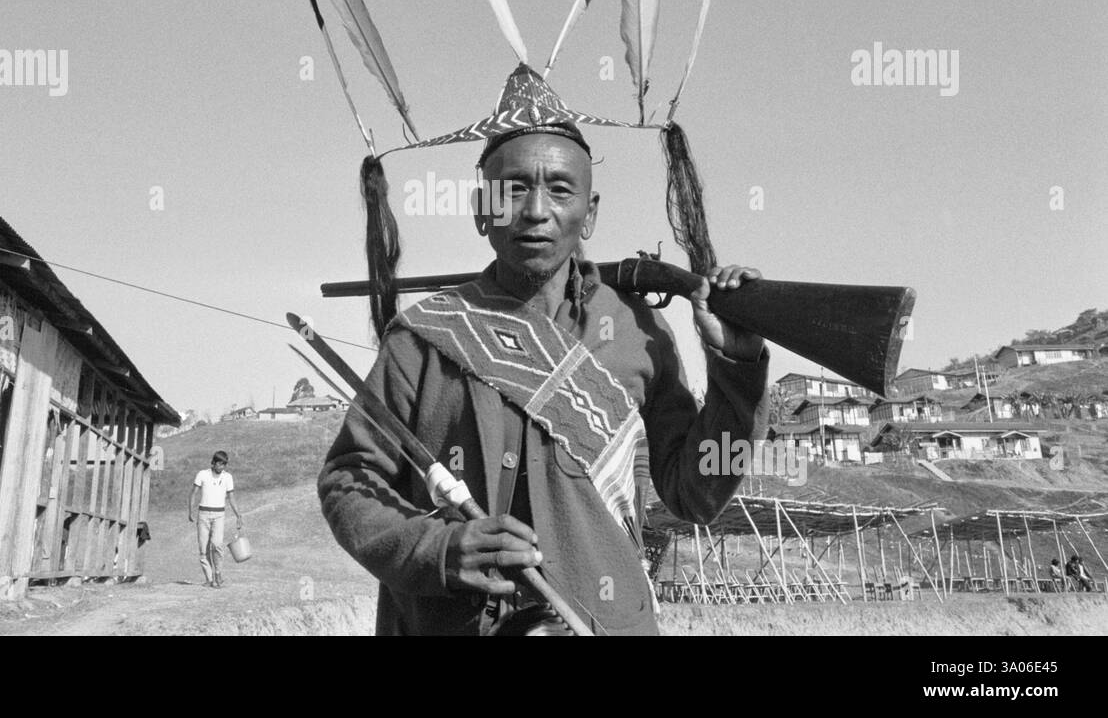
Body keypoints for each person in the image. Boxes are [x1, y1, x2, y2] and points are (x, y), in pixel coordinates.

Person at [318, 90, 770, 635]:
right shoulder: (423, 338)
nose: (535, 211)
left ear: (590, 213)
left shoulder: (638, 330)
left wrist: (739, 371)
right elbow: (350, 478)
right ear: (482, 211)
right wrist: (437, 549)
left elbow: (695, 494)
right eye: (511, 191)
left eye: (559, 189)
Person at [188, 451, 242, 588]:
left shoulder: (228, 477)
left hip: (219, 515)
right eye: (219, 464)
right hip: (203, 514)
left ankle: (218, 573)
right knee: (203, 548)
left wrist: (238, 515)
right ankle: (209, 579)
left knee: (217, 544)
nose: (221, 467)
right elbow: (193, 493)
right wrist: (190, 510)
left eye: (224, 464)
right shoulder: (202, 474)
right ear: (213, 463)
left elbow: (231, 497)